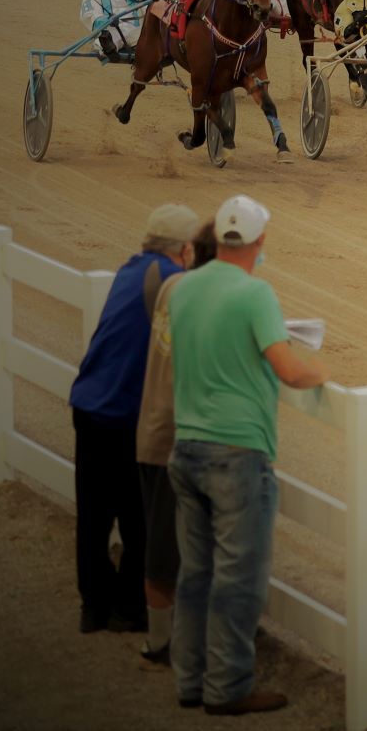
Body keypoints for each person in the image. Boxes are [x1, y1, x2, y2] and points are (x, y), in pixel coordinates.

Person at [168, 195, 328, 716]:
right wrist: (319, 375)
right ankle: (228, 687)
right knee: (238, 579)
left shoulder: (184, 287)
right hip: (238, 451)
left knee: (195, 574)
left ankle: (190, 680)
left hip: (187, 444)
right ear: (258, 242)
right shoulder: (255, 293)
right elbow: (286, 368)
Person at [67, 203, 200, 636]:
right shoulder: (171, 281)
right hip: (125, 411)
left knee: (93, 514)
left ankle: (94, 606)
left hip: (89, 402)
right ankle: (129, 608)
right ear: (184, 250)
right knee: (139, 516)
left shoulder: (131, 269)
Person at [135, 221, 217, 667]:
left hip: (151, 432)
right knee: (168, 550)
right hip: (173, 439)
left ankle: (164, 639)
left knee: (162, 542)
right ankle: (166, 646)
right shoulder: (192, 295)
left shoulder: (168, 289)